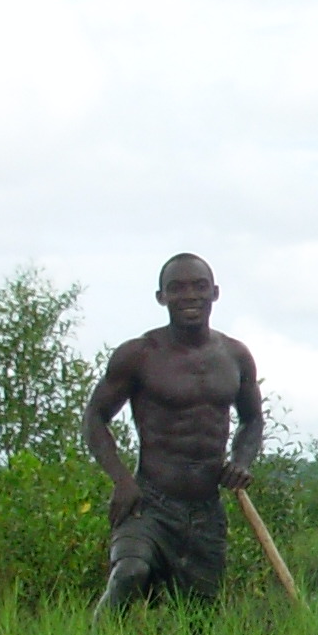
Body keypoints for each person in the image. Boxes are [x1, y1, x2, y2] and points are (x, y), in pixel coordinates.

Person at [83, 253, 263, 614]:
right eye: (177, 288)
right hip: (149, 503)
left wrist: (241, 462)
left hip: (205, 509)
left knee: (199, 622)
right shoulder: (139, 355)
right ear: (161, 297)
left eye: (198, 287)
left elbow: (252, 419)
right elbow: (95, 417)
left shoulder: (235, 355)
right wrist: (121, 480)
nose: (189, 296)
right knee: (129, 573)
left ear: (214, 293)